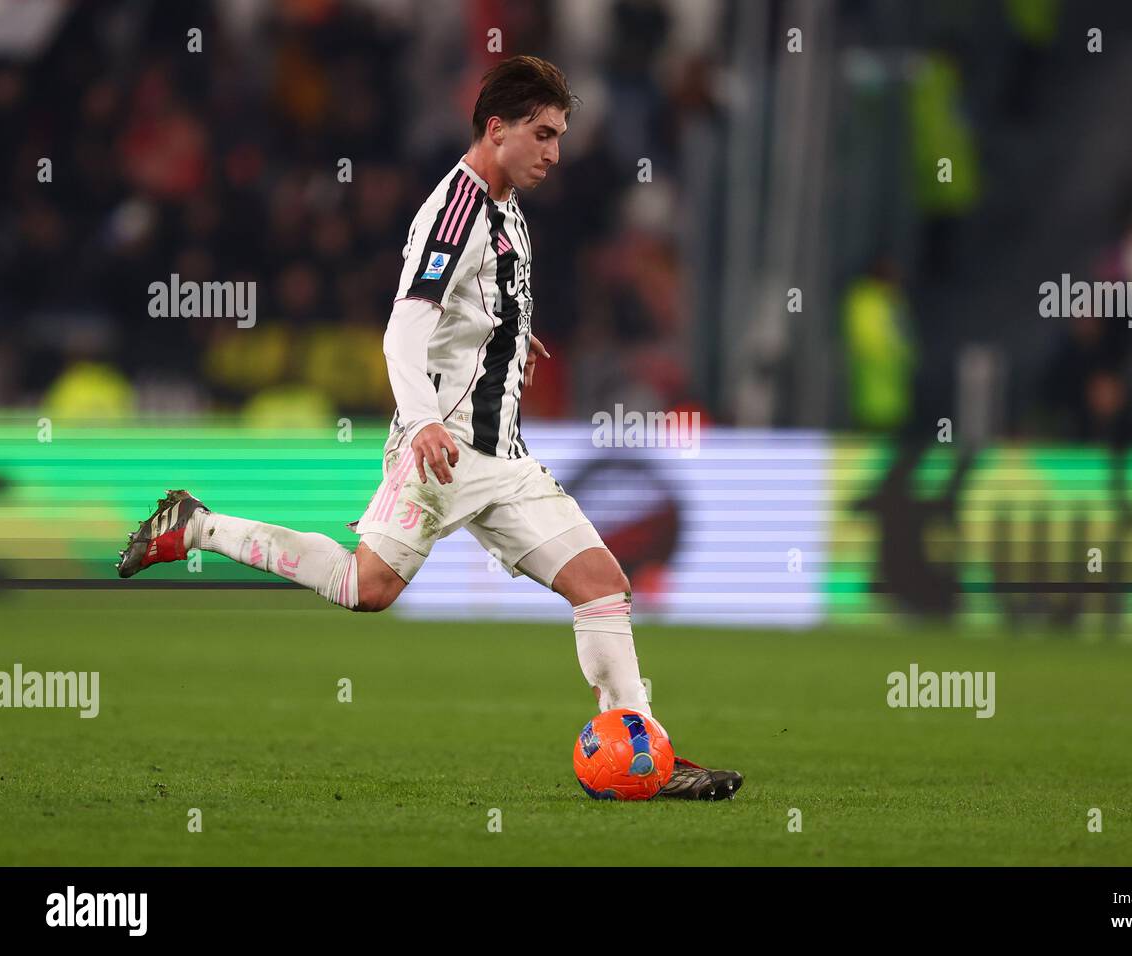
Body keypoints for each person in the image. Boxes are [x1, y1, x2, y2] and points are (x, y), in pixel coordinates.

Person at [116, 55, 741, 800]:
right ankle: (196, 527)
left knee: (602, 583)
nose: (554, 151)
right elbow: (403, 330)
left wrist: (508, 335)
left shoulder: (505, 202)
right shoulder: (456, 209)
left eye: (560, 135)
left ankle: (644, 754)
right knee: (364, 587)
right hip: (441, 450)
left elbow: (472, 307)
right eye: (542, 134)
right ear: (496, 127)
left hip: (502, 458)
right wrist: (419, 424)